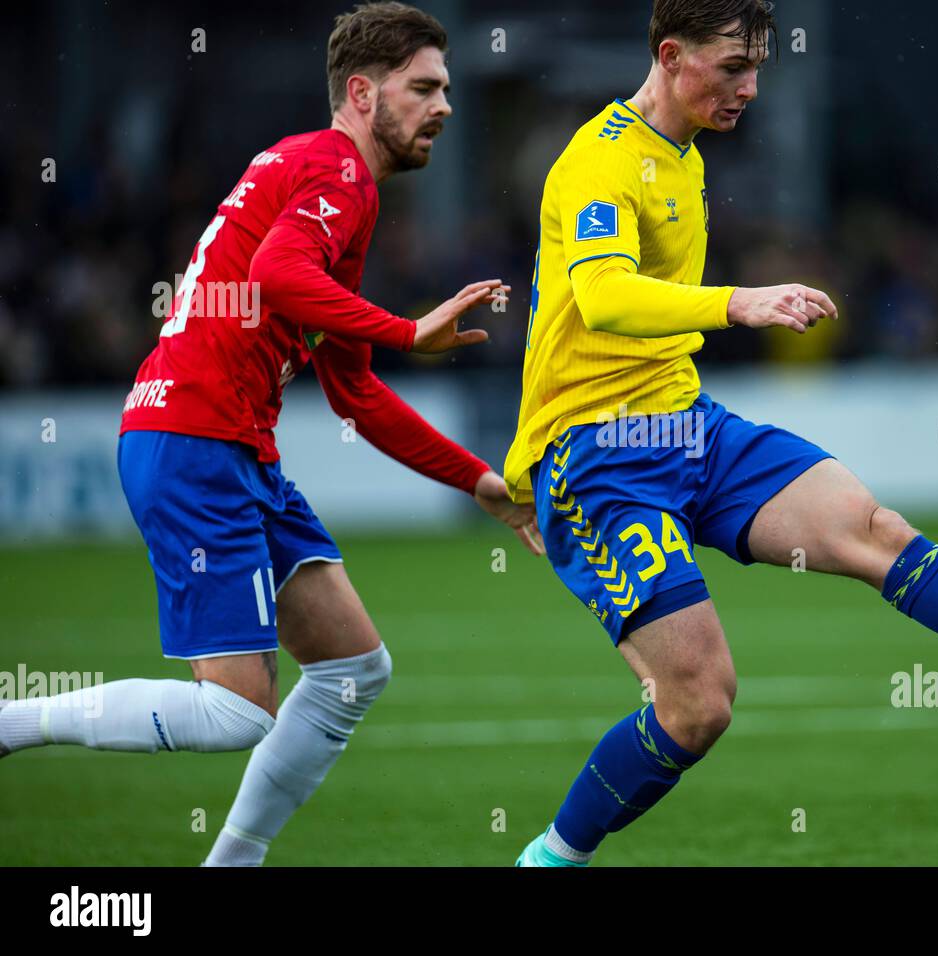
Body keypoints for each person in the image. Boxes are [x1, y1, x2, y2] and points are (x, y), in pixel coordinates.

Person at [504, 0, 938, 866]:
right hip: (595, 454)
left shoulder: (683, 154)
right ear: (671, 55)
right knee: (698, 704)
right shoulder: (598, 162)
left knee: (877, 533)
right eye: (733, 67)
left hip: (690, 426)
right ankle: (549, 860)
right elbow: (603, 295)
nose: (752, 86)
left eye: (759, 67)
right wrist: (739, 302)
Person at [0, 2, 542, 868]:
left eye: (446, 88)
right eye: (426, 87)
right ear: (362, 94)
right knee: (235, 713)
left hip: (226, 443)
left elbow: (355, 393)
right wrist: (408, 331)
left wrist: (477, 480)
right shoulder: (340, 173)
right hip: (195, 441)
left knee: (353, 670)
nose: (445, 106)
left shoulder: (316, 173)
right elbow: (274, 273)